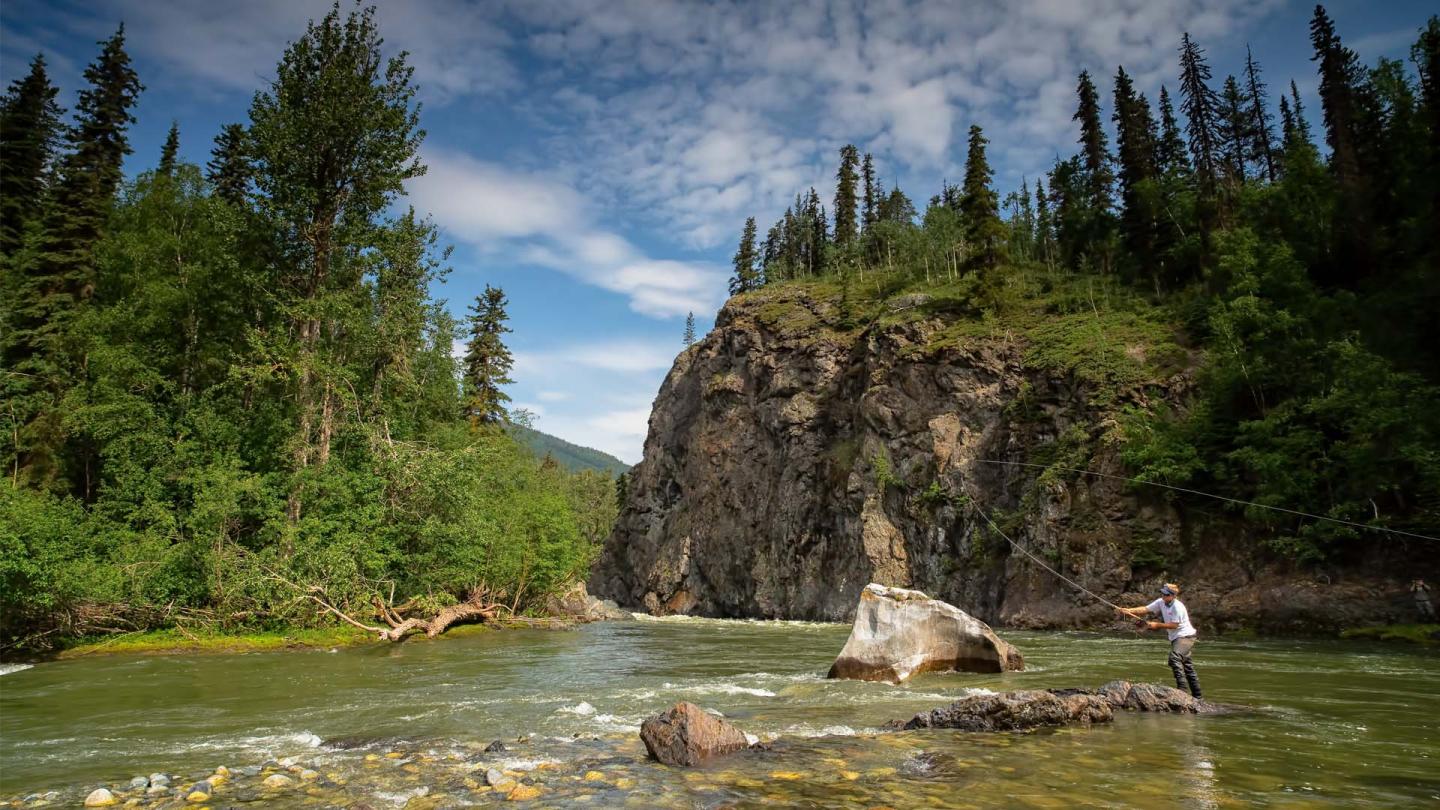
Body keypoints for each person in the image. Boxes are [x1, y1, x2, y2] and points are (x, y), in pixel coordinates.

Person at [1117, 583, 1202, 699]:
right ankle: (1198, 697)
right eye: (1162, 593)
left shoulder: (1177, 607)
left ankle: (1182, 691)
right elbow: (1145, 609)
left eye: (1166, 594)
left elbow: (1174, 625)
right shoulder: (1161, 602)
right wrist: (1128, 610)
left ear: (1173, 596)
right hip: (1176, 638)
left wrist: (1156, 624)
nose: (1163, 596)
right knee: (1188, 667)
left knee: (1174, 658)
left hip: (1186, 636)